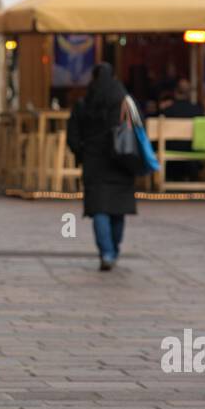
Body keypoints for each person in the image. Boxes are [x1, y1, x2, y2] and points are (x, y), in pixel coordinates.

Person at [67, 62, 137, 271]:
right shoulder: (124, 102)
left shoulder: (83, 104)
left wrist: (82, 152)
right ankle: (113, 249)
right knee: (118, 210)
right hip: (122, 162)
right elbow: (139, 129)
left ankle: (106, 252)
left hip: (94, 163)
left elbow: (73, 137)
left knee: (99, 209)